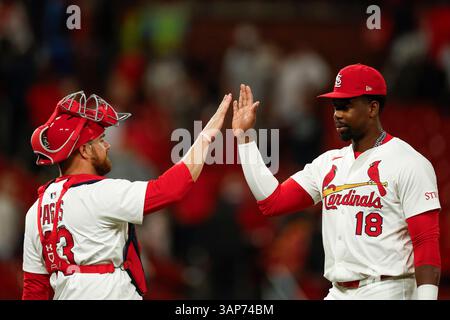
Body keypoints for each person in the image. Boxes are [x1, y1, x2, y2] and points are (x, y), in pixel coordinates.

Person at [232, 64, 441, 300]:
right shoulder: (329, 163)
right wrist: (245, 139)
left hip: (388, 289)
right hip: (337, 291)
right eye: (335, 106)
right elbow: (272, 201)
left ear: (372, 108)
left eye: (346, 106)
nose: (337, 113)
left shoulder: (408, 162)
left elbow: (426, 243)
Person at [22, 90, 232, 299]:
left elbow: (35, 287)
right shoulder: (99, 193)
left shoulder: (36, 211)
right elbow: (170, 189)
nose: (107, 145)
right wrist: (206, 136)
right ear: (85, 150)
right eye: (100, 140)